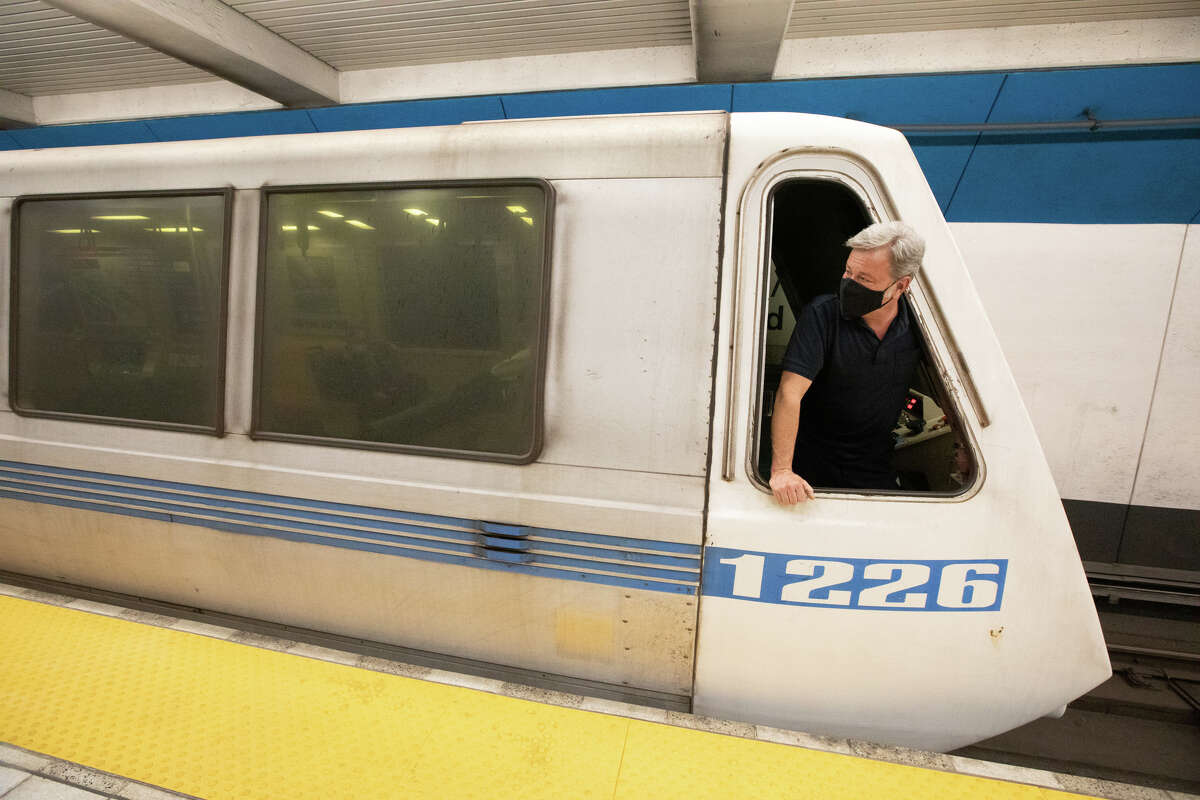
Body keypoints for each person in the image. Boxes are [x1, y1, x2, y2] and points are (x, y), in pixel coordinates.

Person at [769, 221, 925, 505]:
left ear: (901, 285)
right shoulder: (822, 316)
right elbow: (789, 393)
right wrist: (782, 471)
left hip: (872, 468)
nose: (850, 284)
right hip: (811, 466)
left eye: (864, 279)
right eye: (848, 272)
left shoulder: (920, 326)